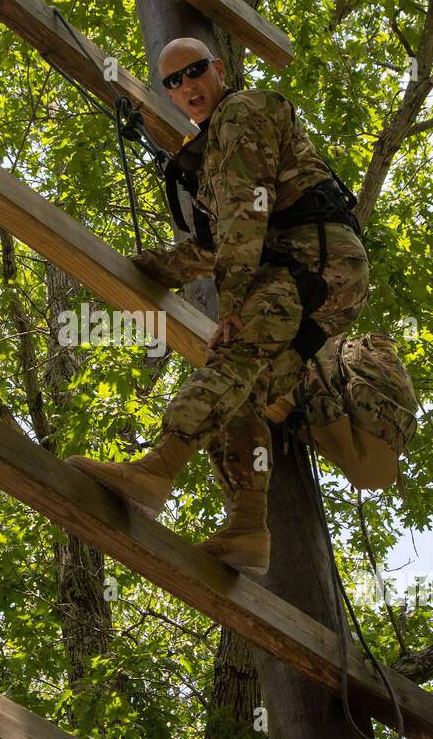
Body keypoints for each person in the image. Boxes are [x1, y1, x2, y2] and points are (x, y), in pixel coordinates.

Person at [68, 38, 370, 575]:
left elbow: (243, 215)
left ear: (219, 70)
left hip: (311, 267)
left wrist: (231, 306)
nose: (187, 88)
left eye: (194, 72)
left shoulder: (242, 112)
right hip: (315, 281)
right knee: (245, 392)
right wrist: (162, 266)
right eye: (173, 83)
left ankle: (157, 470)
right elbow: (221, 240)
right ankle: (249, 526)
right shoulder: (209, 148)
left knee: (229, 355)